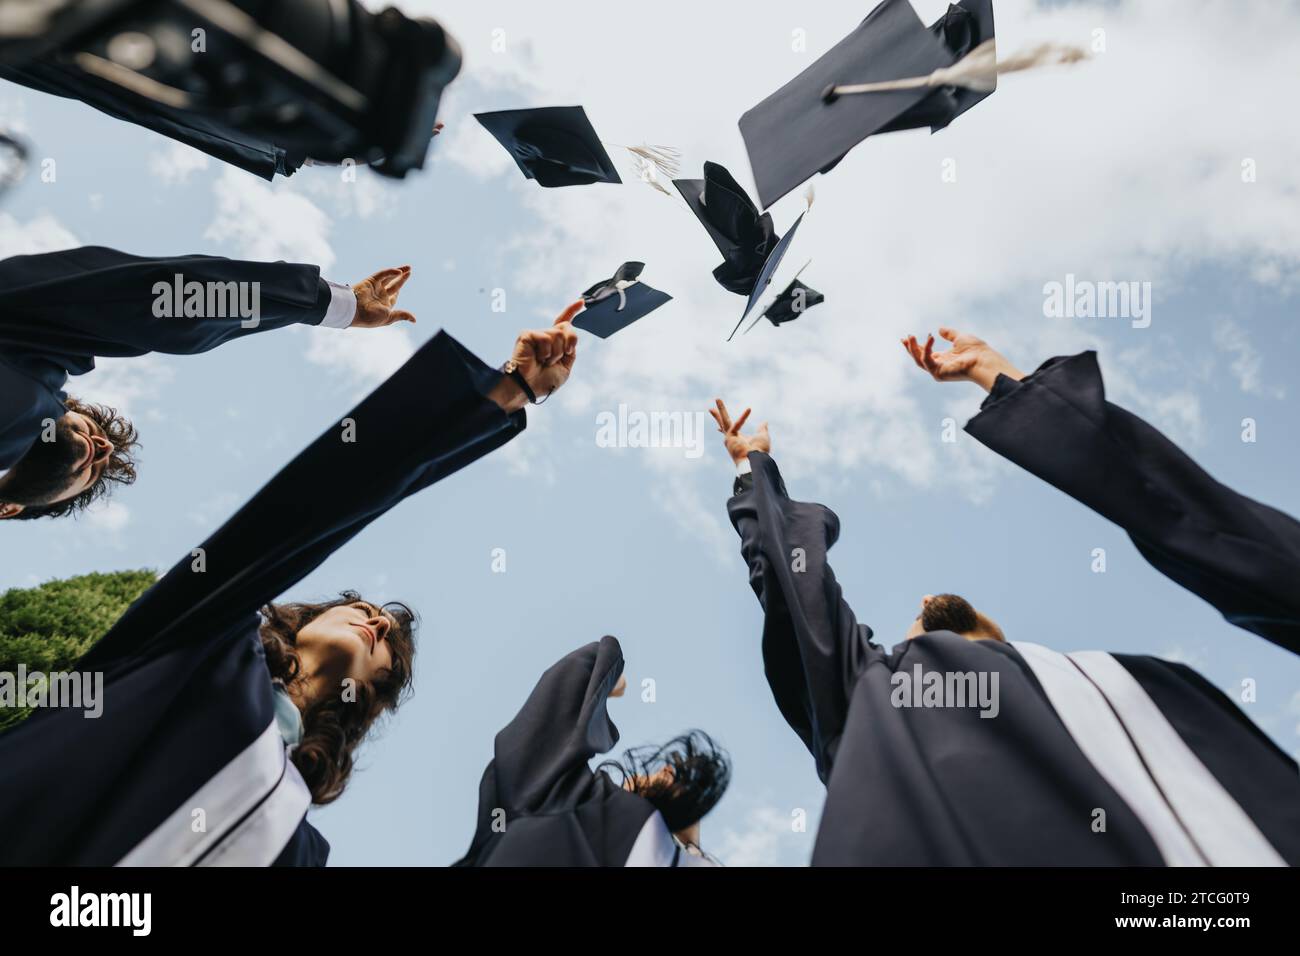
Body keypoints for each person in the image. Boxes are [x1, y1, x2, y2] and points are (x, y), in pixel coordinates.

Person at [0, 304, 582, 866]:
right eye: (359, 607)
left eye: (392, 651)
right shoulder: (202, 644)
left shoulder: (300, 848)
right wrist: (507, 392)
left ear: (372, 698)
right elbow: (314, 508)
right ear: (297, 621)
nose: (380, 621)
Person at [710, 328, 1300, 865]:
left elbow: (1211, 529)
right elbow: (797, 592)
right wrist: (753, 471)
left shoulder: (1133, 679)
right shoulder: (875, 695)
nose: (923, 602)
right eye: (915, 621)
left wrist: (1010, 387)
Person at [0, 244, 416, 520]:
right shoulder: (28, 337)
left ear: (9, 509)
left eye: (89, 474)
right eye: (94, 436)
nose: (102, 448)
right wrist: (333, 305)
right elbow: (158, 299)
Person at [455, 636, 730, 866]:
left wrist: (611, 677)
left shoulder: (580, 801)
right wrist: (693, 846)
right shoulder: (663, 855)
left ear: (667, 776)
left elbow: (567, 685)